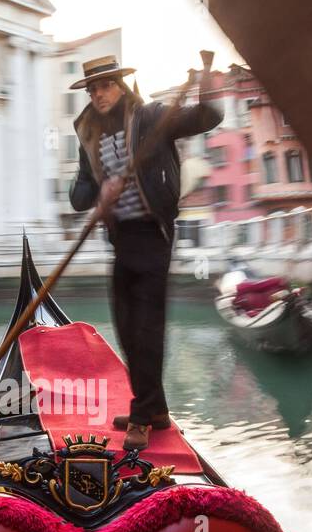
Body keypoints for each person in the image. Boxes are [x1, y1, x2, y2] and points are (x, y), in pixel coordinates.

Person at [69, 53, 222, 450]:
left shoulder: (152, 117)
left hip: (154, 234)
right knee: (125, 326)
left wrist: (205, 77)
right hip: (121, 241)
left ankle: (142, 414)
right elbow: (78, 194)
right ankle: (155, 409)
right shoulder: (88, 134)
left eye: (105, 85)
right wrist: (98, 191)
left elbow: (208, 117)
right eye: (93, 88)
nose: (99, 94)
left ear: (121, 86)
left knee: (147, 328)